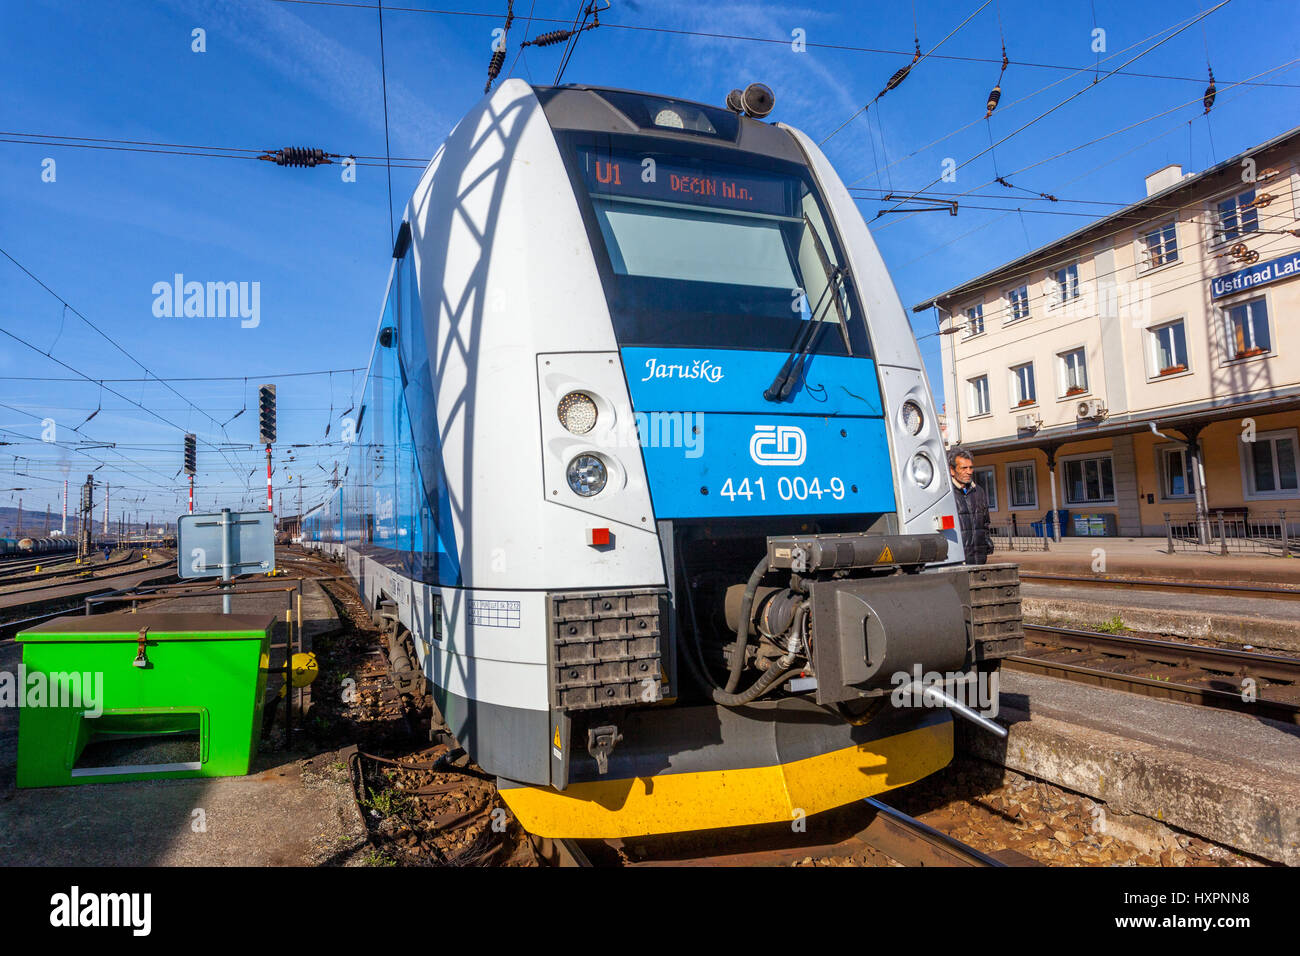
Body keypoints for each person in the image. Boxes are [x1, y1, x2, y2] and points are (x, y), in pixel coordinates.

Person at [948, 447, 992, 565]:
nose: (969, 471)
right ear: (952, 470)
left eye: (971, 467)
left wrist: (987, 541)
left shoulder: (979, 491)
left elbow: (985, 522)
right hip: (957, 559)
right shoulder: (946, 494)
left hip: (979, 557)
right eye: (964, 468)